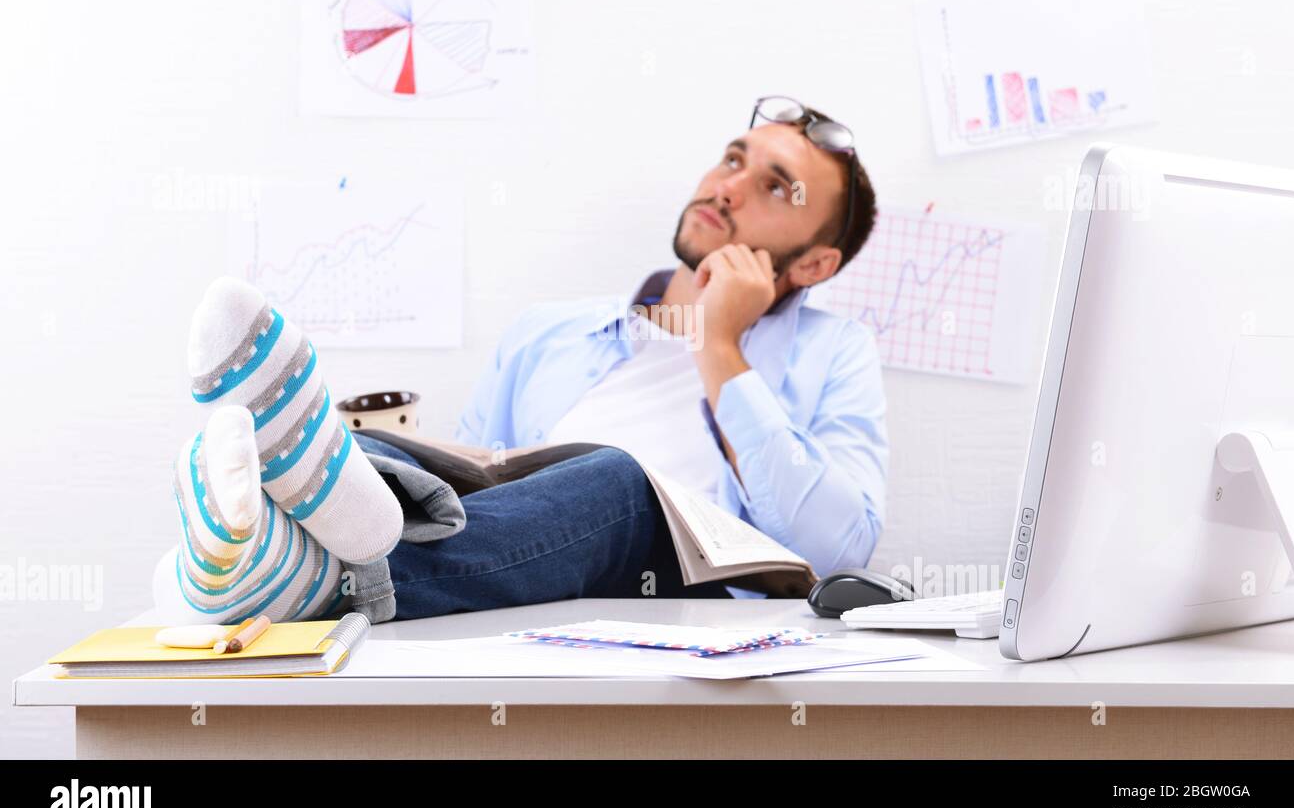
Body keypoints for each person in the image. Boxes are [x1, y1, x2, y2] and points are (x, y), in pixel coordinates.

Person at [151, 95, 888, 624]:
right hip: (541, 585)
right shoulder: (550, 332)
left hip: (684, 599)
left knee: (620, 479)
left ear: (816, 263)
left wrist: (721, 345)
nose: (727, 187)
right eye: (734, 159)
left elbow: (831, 545)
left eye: (773, 187)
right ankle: (243, 567)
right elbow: (477, 505)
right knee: (370, 449)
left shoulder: (834, 351)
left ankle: (302, 582)